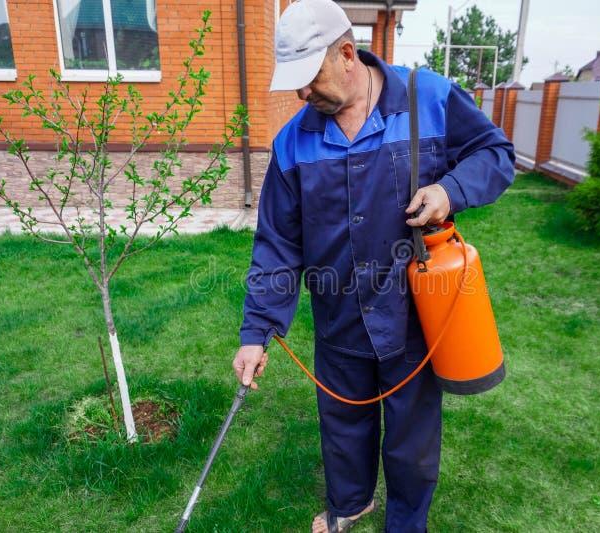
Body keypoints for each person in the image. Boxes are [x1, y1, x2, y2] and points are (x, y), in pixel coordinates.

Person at [231, 0, 515, 531]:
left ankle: (406, 523)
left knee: (411, 440)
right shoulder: (293, 142)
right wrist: (256, 332)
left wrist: (450, 190)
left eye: (310, 79)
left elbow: (496, 154)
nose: (301, 95)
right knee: (343, 428)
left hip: (413, 318)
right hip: (338, 317)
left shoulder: (426, 96)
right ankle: (350, 503)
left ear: (346, 54)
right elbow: (277, 243)